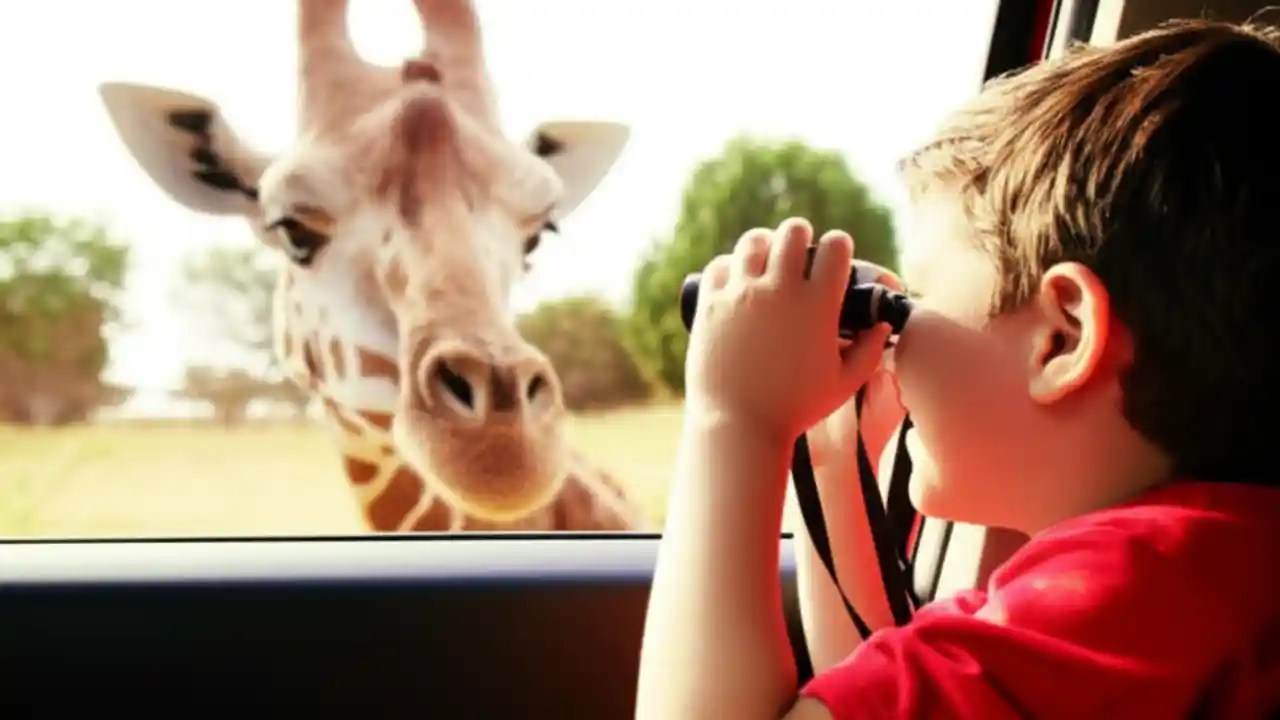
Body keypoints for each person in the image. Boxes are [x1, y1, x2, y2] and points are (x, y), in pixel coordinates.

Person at [634, 17, 1280, 720]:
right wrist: (831, 460)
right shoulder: (1213, 568)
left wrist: (734, 421)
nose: (890, 337)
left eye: (917, 300)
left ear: (1062, 341)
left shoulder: (1125, 590)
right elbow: (890, 687)